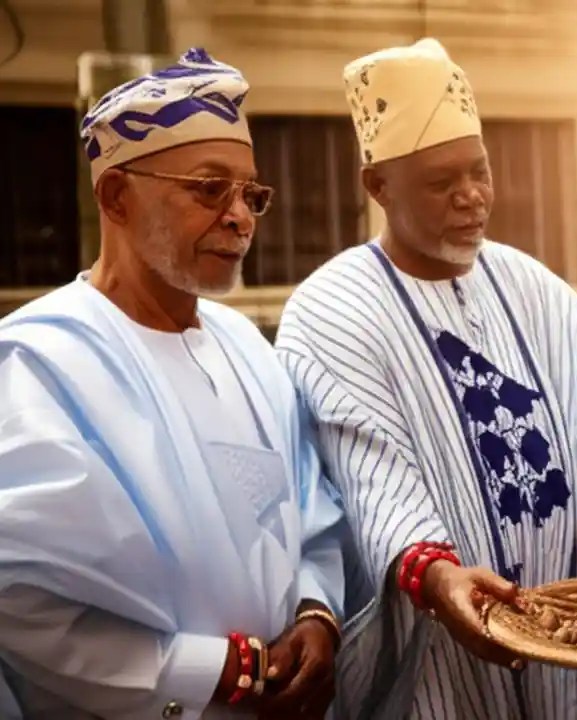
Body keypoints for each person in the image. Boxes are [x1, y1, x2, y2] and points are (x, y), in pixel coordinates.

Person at [275, 38, 577, 720]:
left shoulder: (532, 285)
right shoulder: (334, 309)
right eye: (441, 183)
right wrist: (438, 580)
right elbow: (370, 474)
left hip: (566, 639)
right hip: (439, 647)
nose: (471, 197)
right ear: (378, 187)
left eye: (480, 171)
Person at [0, 48, 346, 719]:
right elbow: (19, 597)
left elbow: (312, 513)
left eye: (251, 195)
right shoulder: (40, 363)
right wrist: (214, 672)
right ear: (116, 196)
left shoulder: (247, 347)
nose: (241, 217)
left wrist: (316, 611)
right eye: (209, 189)